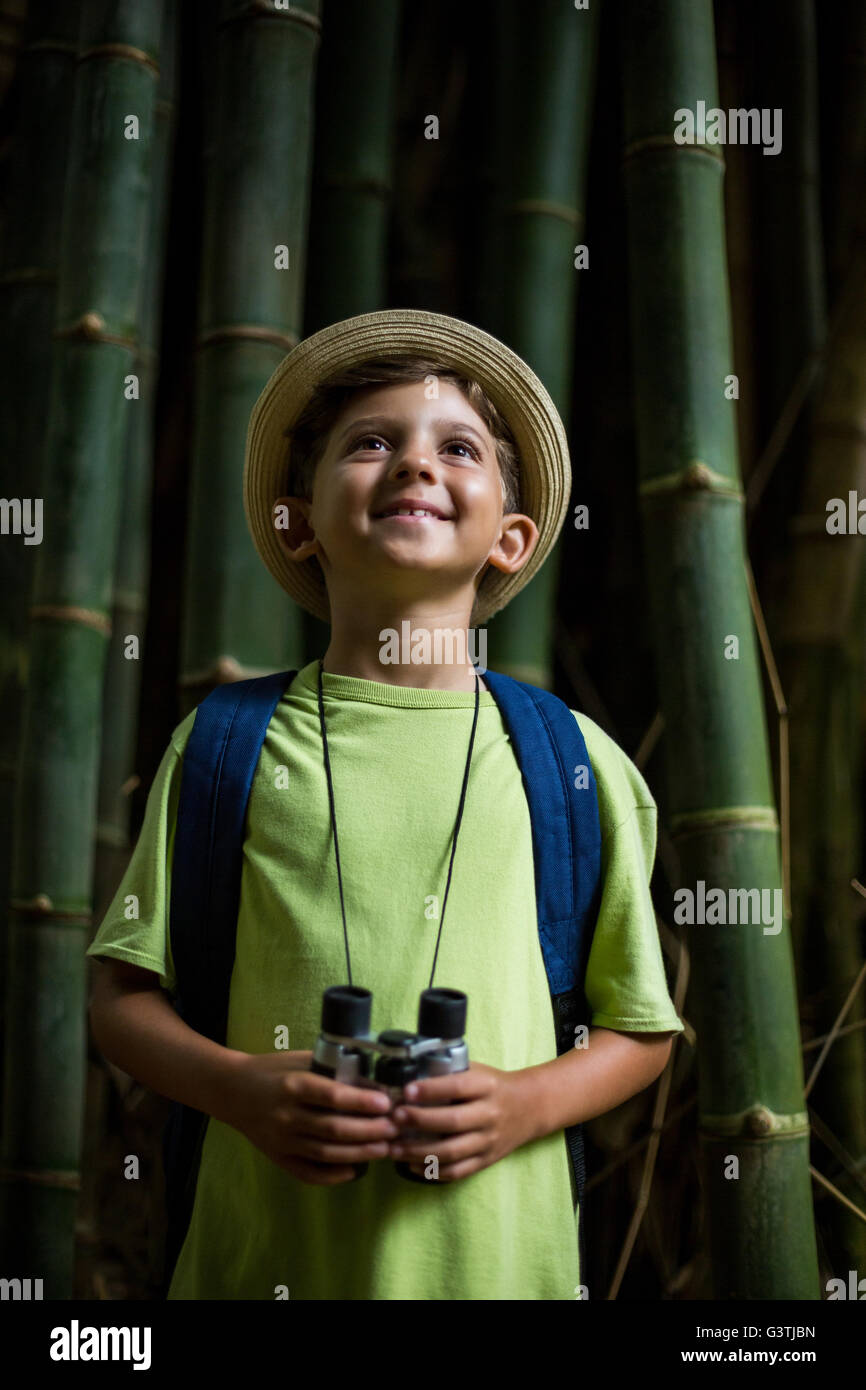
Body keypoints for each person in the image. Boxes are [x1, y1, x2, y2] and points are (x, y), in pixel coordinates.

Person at [87, 309, 683, 1300]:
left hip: (497, 1268)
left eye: (456, 448)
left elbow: (639, 1027)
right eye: (369, 443)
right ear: (300, 519)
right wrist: (240, 1086)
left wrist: (523, 1104)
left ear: (511, 535)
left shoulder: (574, 763)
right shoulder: (227, 746)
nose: (413, 464)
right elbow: (121, 999)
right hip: (264, 1263)